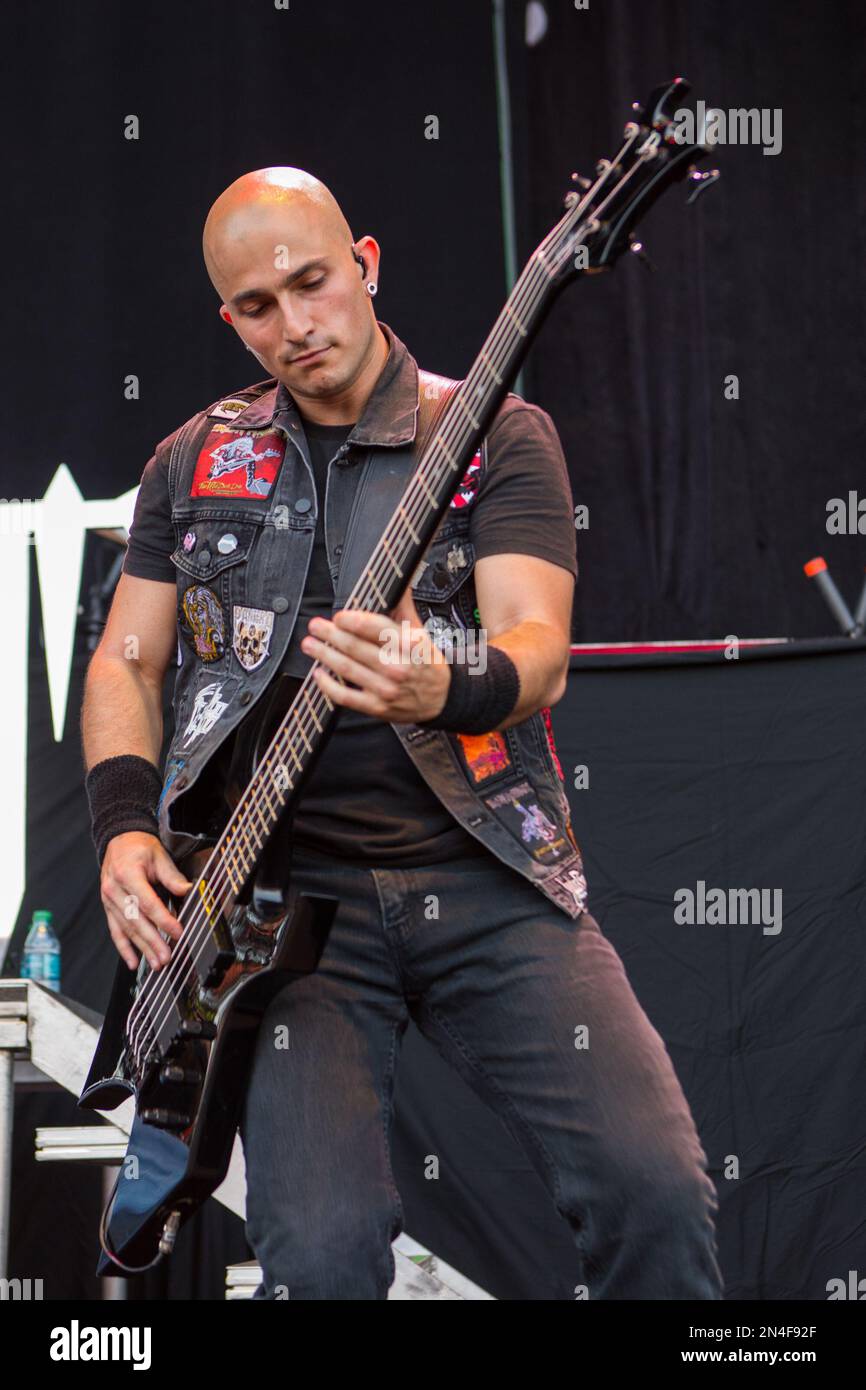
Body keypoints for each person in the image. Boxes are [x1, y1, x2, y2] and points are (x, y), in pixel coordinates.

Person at [81, 166, 724, 1300]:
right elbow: (128, 660)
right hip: (283, 915)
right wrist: (126, 826)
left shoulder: (493, 434)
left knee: (654, 1189)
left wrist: (445, 683)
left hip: (484, 875)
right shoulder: (192, 460)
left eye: (313, 284)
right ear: (226, 318)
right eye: (256, 307)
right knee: (321, 1253)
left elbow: (535, 647)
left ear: (366, 264)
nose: (293, 324)